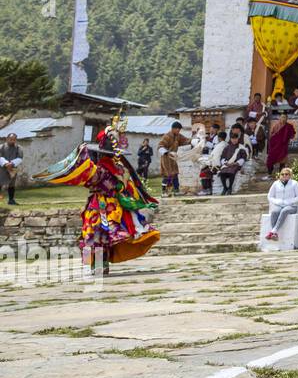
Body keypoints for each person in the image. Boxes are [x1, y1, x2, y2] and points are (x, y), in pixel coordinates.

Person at [34, 114, 159, 274]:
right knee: (103, 234)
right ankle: (101, 264)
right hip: (114, 205)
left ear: (101, 152)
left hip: (100, 205)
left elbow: (88, 178)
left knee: (95, 233)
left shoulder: (100, 168)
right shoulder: (120, 168)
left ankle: (98, 264)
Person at [265, 165, 298, 242]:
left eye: (286, 174)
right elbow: (270, 196)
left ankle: (273, 231)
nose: (284, 175)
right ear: (280, 175)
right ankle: (274, 234)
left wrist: (289, 201)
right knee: (274, 212)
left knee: (285, 211)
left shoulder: (294, 183)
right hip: (280, 205)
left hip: (292, 206)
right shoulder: (276, 184)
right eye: (282, 174)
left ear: (290, 175)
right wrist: (277, 201)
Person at [216, 124, 249, 195]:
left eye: (235, 139)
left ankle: (230, 187)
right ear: (231, 139)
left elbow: (243, 158)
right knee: (222, 173)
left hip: (235, 164)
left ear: (237, 139)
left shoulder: (241, 148)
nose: (234, 140)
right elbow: (222, 157)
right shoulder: (227, 147)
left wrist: (236, 163)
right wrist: (225, 162)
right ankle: (225, 188)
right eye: (232, 139)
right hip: (227, 164)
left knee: (231, 172)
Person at [157, 121, 187, 196]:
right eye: (178, 130)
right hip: (166, 158)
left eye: (179, 130)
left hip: (173, 159)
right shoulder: (166, 136)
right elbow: (160, 146)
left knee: (175, 174)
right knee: (167, 175)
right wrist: (167, 152)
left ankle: (176, 191)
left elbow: (186, 140)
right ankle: (164, 192)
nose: (179, 131)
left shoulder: (178, 136)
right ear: (173, 129)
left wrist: (194, 140)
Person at [265, 112, 295, 177]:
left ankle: (281, 175)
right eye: (282, 117)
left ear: (287, 118)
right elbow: (272, 134)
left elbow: (292, 135)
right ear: (279, 118)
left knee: (282, 160)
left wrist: (290, 139)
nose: (283, 119)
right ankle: (269, 173)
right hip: (275, 146)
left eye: (285, 117)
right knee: (270, 160)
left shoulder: (289, 126)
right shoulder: (276, 126)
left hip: (283, 146)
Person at [1, 133, 23, 205]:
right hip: (2, 168)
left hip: (12, 169)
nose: (12, 141)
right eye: (11, 139)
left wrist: (12, 163)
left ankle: (11, 200)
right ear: (7, 139)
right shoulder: (1, 147)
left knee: (11, 184)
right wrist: (5, 163)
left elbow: (20, 158)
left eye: (14, 139)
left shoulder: (18, 148)